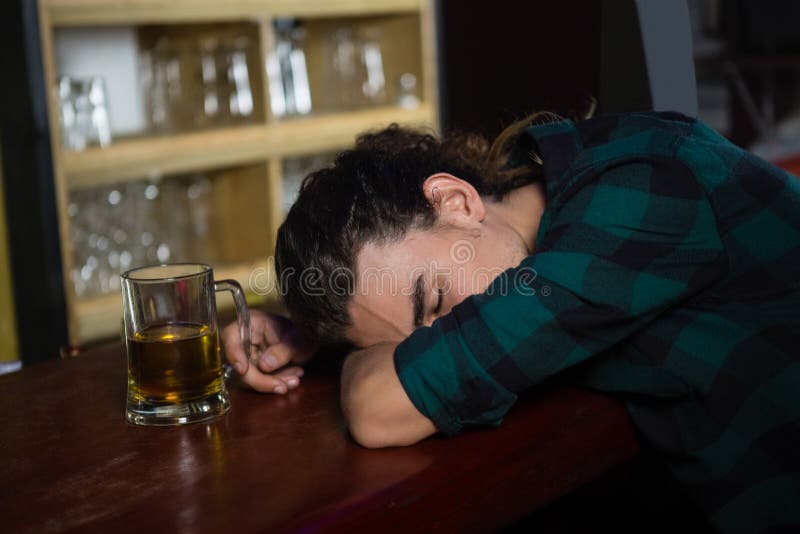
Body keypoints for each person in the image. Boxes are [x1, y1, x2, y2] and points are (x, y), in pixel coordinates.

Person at [222, 110, 800, 532]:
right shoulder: (554, 224)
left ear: (456, 202)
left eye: (434, 300)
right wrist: (310, 335)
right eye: (413, 337)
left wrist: (373, 364)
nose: (441, 336)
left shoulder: (638, 189)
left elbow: (378, 409)